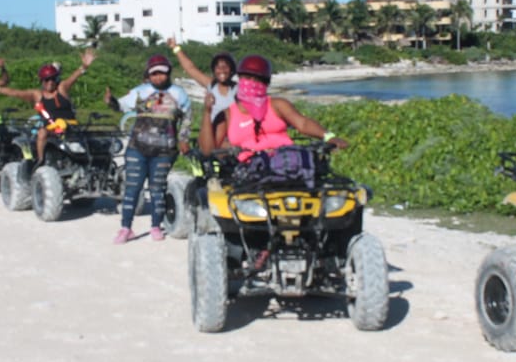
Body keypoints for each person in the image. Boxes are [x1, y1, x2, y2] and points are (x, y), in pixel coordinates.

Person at [105, 54, 192, 244]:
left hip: (165, 151)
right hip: (137, 148)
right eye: (154, 74)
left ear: (168, 73)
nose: (158, 77)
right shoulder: (139, 92)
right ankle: (126, 228)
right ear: (149, 75)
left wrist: (183, 139)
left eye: (162, 73)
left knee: (157, 189)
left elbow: (187, 118)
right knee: (132, 188)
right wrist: (111, 101)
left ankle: (155, 226)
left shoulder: (179, 93)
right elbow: (121, 105)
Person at [198, 54, 348, 161]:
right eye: (247, 78)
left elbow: (302, 123)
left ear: (266, 83)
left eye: (258, 80)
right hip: (248, 169)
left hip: (285, 161)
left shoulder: (277, 105)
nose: (251, 83)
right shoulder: (228, 114)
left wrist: (329, 136)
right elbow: (208, 150)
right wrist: (207, 112)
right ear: (240, 80)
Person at [0, 49, 95, 165]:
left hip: (70, 126)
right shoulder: (37, 95)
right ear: (42, 81)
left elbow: (72, 78)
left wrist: (84, 67)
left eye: (53, 79)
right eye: (47, 80)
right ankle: (40, 160)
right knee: (42, 132)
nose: (50, 82)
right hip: (51, 129)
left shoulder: (62, 88)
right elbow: (15, 92)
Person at [166, 37, 237, 122]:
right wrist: (175, 47)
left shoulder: (238, 89)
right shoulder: (211, 84)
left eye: (225, 67)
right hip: (213, 132)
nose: (222, 70)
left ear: (232, 69)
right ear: (214, 70)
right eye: (218, 67)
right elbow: (190, 68)